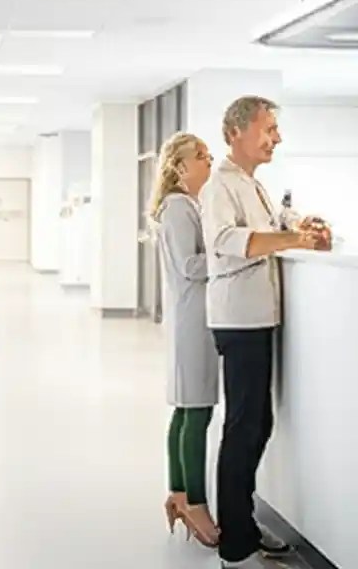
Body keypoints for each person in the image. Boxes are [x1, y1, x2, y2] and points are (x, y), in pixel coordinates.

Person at [199, 96, 330, 568]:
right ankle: (236, 540)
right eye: (268, 129)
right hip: (239, 320)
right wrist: (292, 238)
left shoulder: (253, 185)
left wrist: (297, 224)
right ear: (236, 131)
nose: (276, 138)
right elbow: (225, 242)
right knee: (242, 428)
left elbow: (270, 226)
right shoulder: (219, 187)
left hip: (258, 318)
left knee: (258, 425)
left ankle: (245, 524)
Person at [150, 132, 218, 547]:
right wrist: (234, 251)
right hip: (193, 319)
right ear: (180, 166)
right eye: (202, 157)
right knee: (197, 410)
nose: (209, 163)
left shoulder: (186, 205)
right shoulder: (178, 206)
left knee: (185, 408)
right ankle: (195, 502)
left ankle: (177, 493)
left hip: (191, 316)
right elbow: (190, 264)